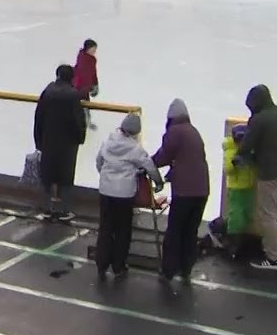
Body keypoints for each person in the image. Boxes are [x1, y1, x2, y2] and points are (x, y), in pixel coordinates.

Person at [236, 84, 277, 271]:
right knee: (272, 212)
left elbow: (246, 147)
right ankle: (271, 249)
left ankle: (273, 259)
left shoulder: (259, 120)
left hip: (269, 174)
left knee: (268, 216)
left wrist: (239, 156)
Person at [95, 111, 163, 278]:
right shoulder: (135, 149)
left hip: (106, 191)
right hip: (125, 194)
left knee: (106, 227)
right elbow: (150, 167)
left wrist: (105, 177)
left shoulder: (108, 141)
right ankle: (118, 265)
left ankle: (102, 263)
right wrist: (159, 182)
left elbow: (99, 161)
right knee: (123, 230)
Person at [152, 98, 209, 282]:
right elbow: (191, 161)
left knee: (175, 230)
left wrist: (147, 163)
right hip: (202, 190)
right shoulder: (193, 131)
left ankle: (168, 270)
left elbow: (164, 155)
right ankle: (186, 268)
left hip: (184, 192)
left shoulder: (175, 131)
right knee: (190, 230)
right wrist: (173, 174)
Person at [33, 64, 88, 222]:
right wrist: (80, 138)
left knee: (47, 175)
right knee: (65, 176)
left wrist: (39, 140)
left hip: (48, 139)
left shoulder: (47, 92)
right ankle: (64, 210)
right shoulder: (72, 96)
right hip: (67, 143)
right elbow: (78, 120)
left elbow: (39, 117)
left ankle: (47, 208)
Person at [220, 124, 257, 259]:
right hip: (236, 188)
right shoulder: (230, 150)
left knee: (247, 214)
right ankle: (232, 242)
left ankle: (241, 240)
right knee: (236, 216)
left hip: (248, 186)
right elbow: (228, 170)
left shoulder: (248, 149)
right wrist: (235, 163)